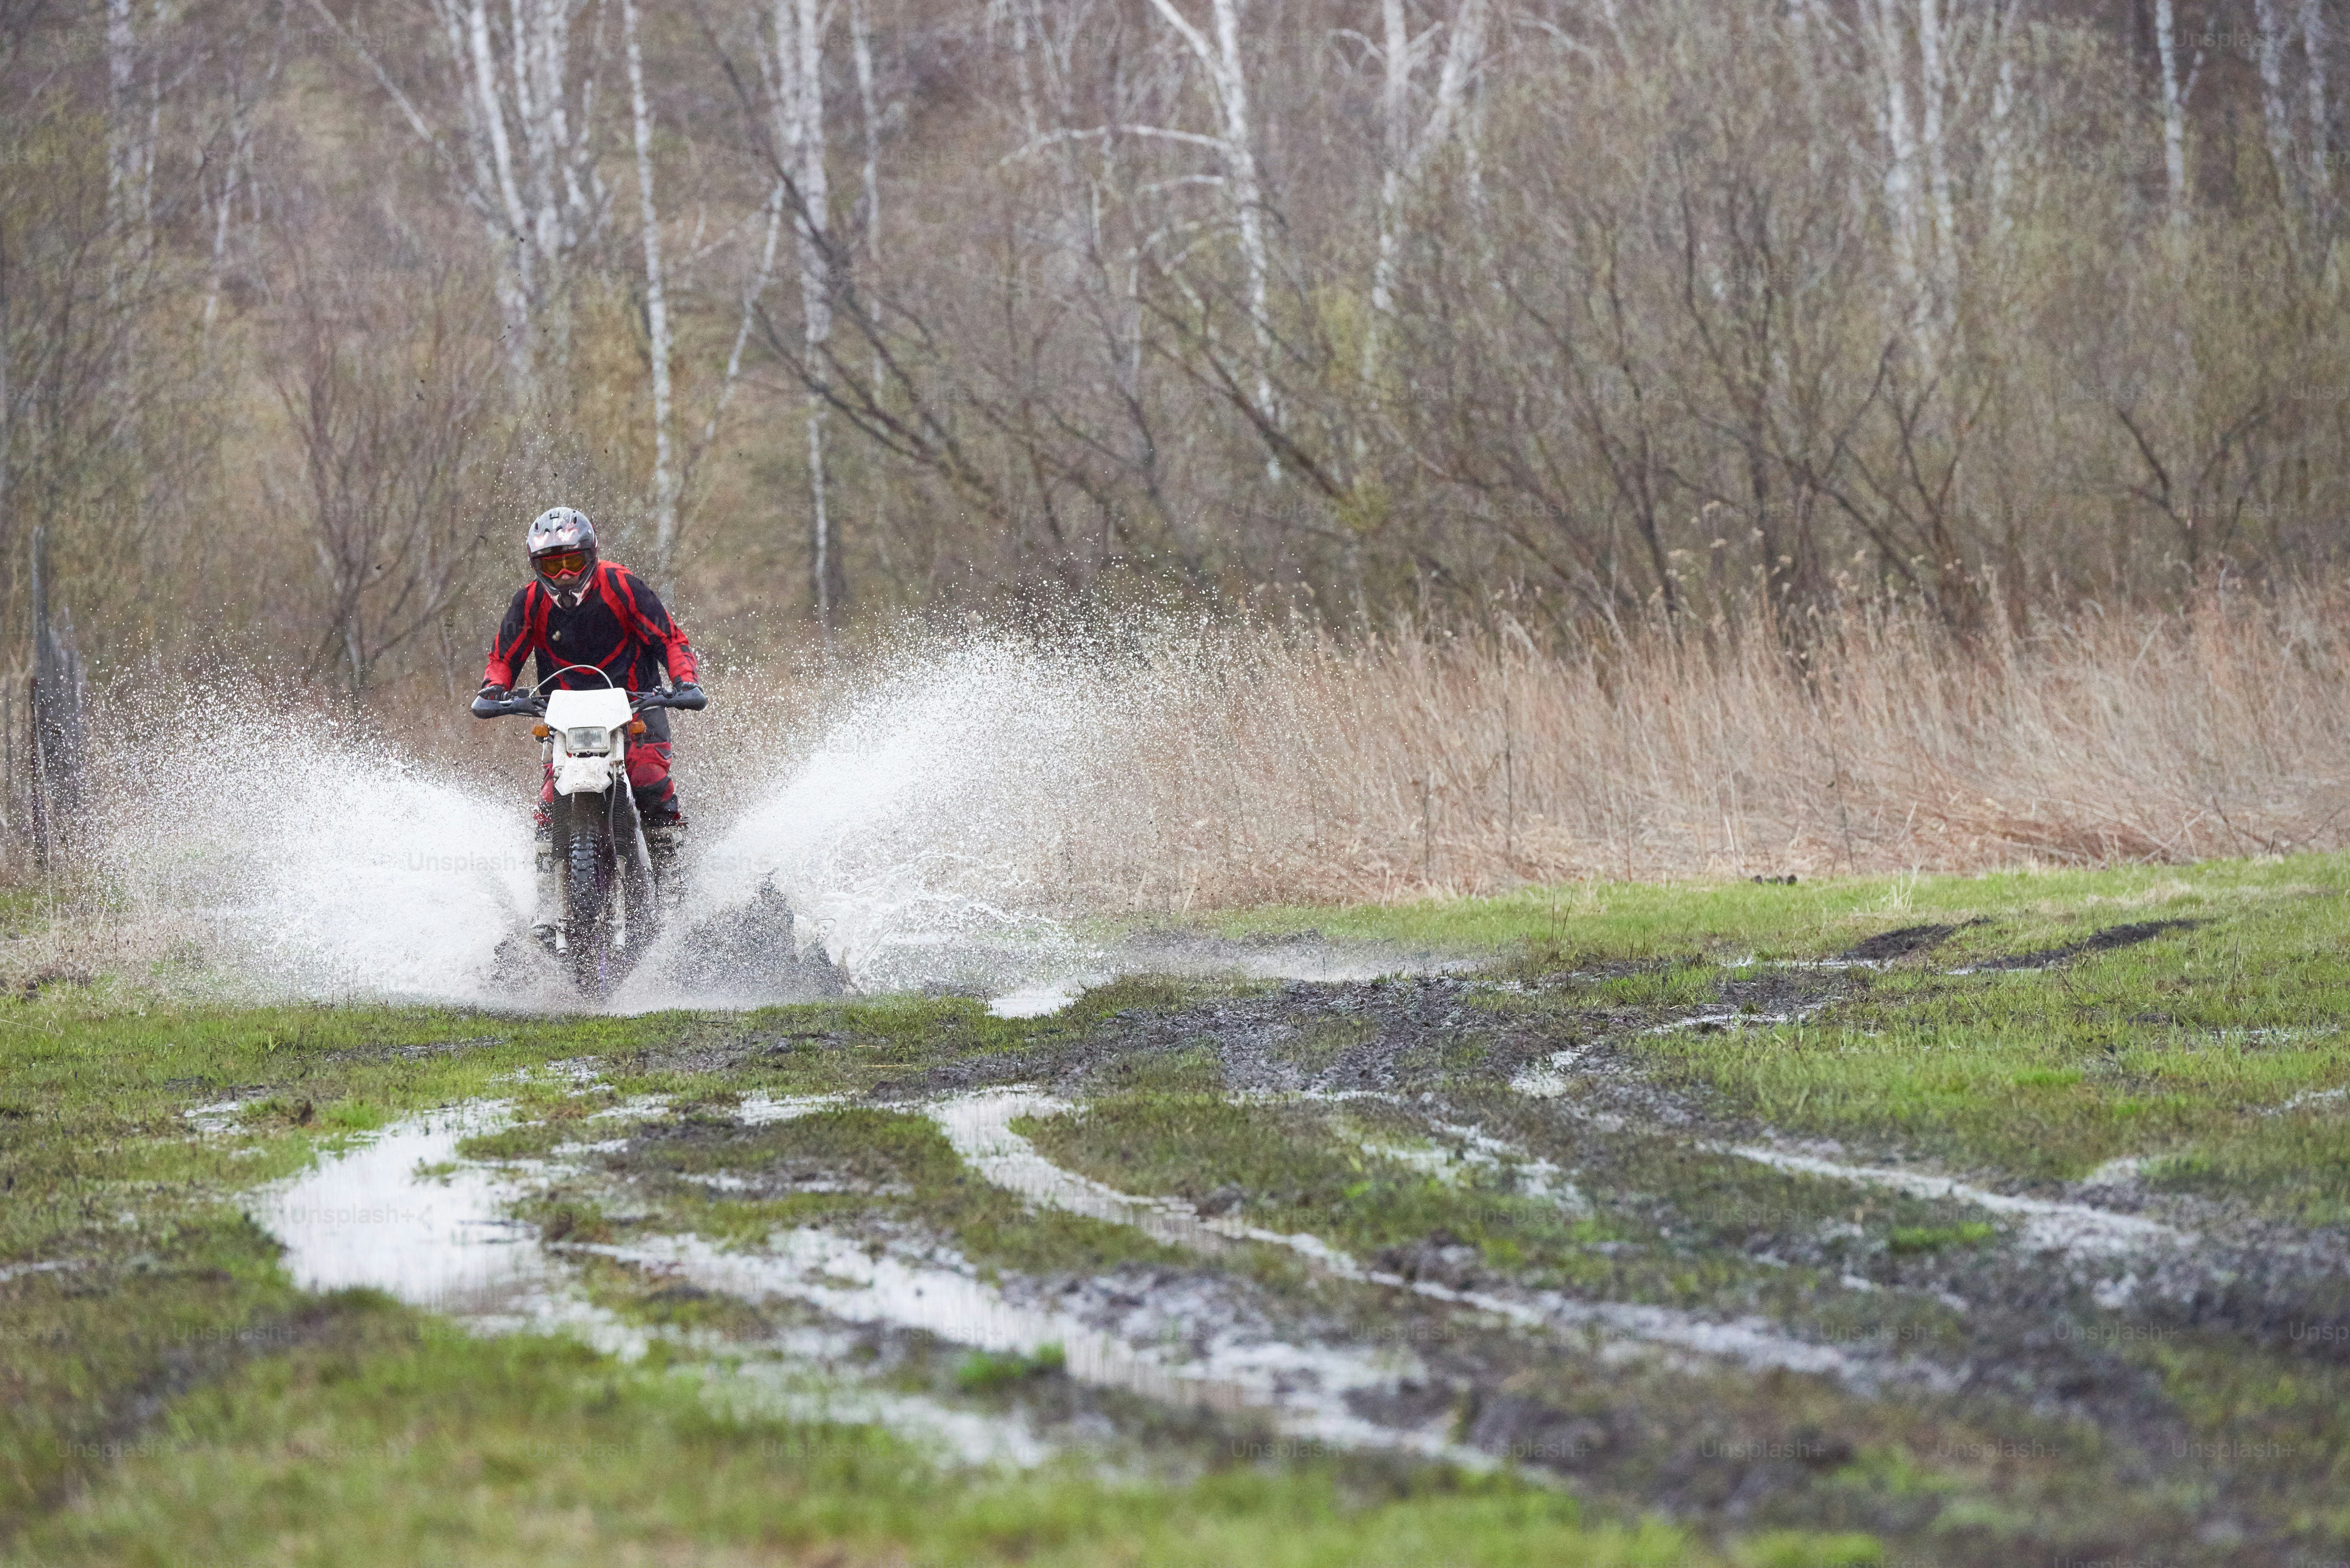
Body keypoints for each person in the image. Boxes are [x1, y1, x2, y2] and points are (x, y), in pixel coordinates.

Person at [477, 508, 704, 913]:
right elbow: (503, 657)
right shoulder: (530, 602)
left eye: (573, 562)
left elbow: (670, 638)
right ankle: (547, 901)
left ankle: (672, 882)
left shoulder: (621, 585)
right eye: (553, 564)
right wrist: (495, 689)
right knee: (549, 801)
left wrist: (684, 681)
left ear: (592, 555)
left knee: (649, 776)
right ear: (537, 567)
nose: (564, 575)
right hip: (564, 713)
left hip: (636, 702)